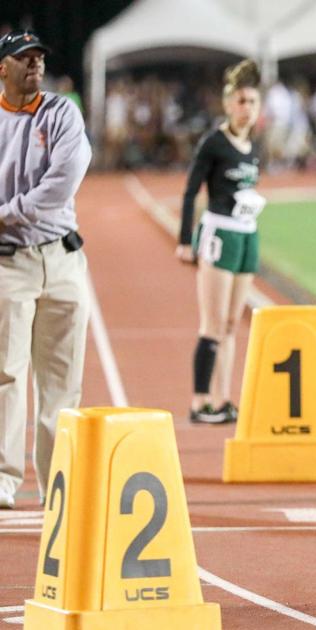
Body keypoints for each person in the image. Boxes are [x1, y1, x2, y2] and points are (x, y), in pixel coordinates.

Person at [0, 30, 92, 509]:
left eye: (38, 58)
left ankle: (57, 482)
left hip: (61, 258)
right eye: (23, 58)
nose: (34, 65)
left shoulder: (61, 112)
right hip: (8, 263)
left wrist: (6, 211)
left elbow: (62, 183)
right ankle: (3, 479)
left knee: (61, 378)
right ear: (3, 68)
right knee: (6, 375)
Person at [175, 60, 264, 424]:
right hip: (218, 234)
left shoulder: (254, 146)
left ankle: (222, 398)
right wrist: (184, 240)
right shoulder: (214, 142)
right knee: (212, 324)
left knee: (231, 323)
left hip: (247, 234)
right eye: (242, 101)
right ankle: (199, 403)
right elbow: (191, 191)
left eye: (254, 102)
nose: (248, 108)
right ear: (228, 104)